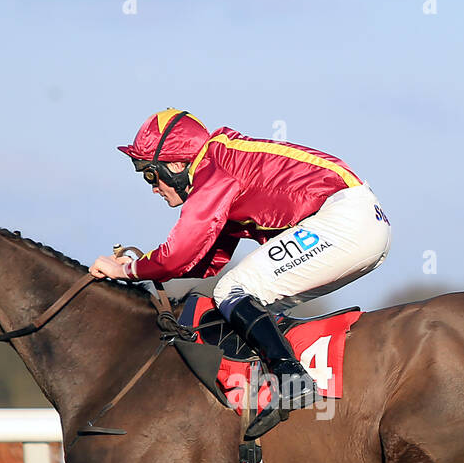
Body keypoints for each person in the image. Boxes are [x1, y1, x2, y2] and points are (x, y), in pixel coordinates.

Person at [89, 109, 392, 439]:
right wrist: (149, 272)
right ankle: (266, 391)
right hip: (362, 223)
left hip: (344, 219)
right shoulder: (220, 164)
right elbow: (207, 259)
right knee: (244, 303)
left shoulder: (212, 171)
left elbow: (177, 255)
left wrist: (126, 268)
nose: (153, 188)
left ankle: (291, 380)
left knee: (231, 290)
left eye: (151, 175)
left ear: (175, 164)